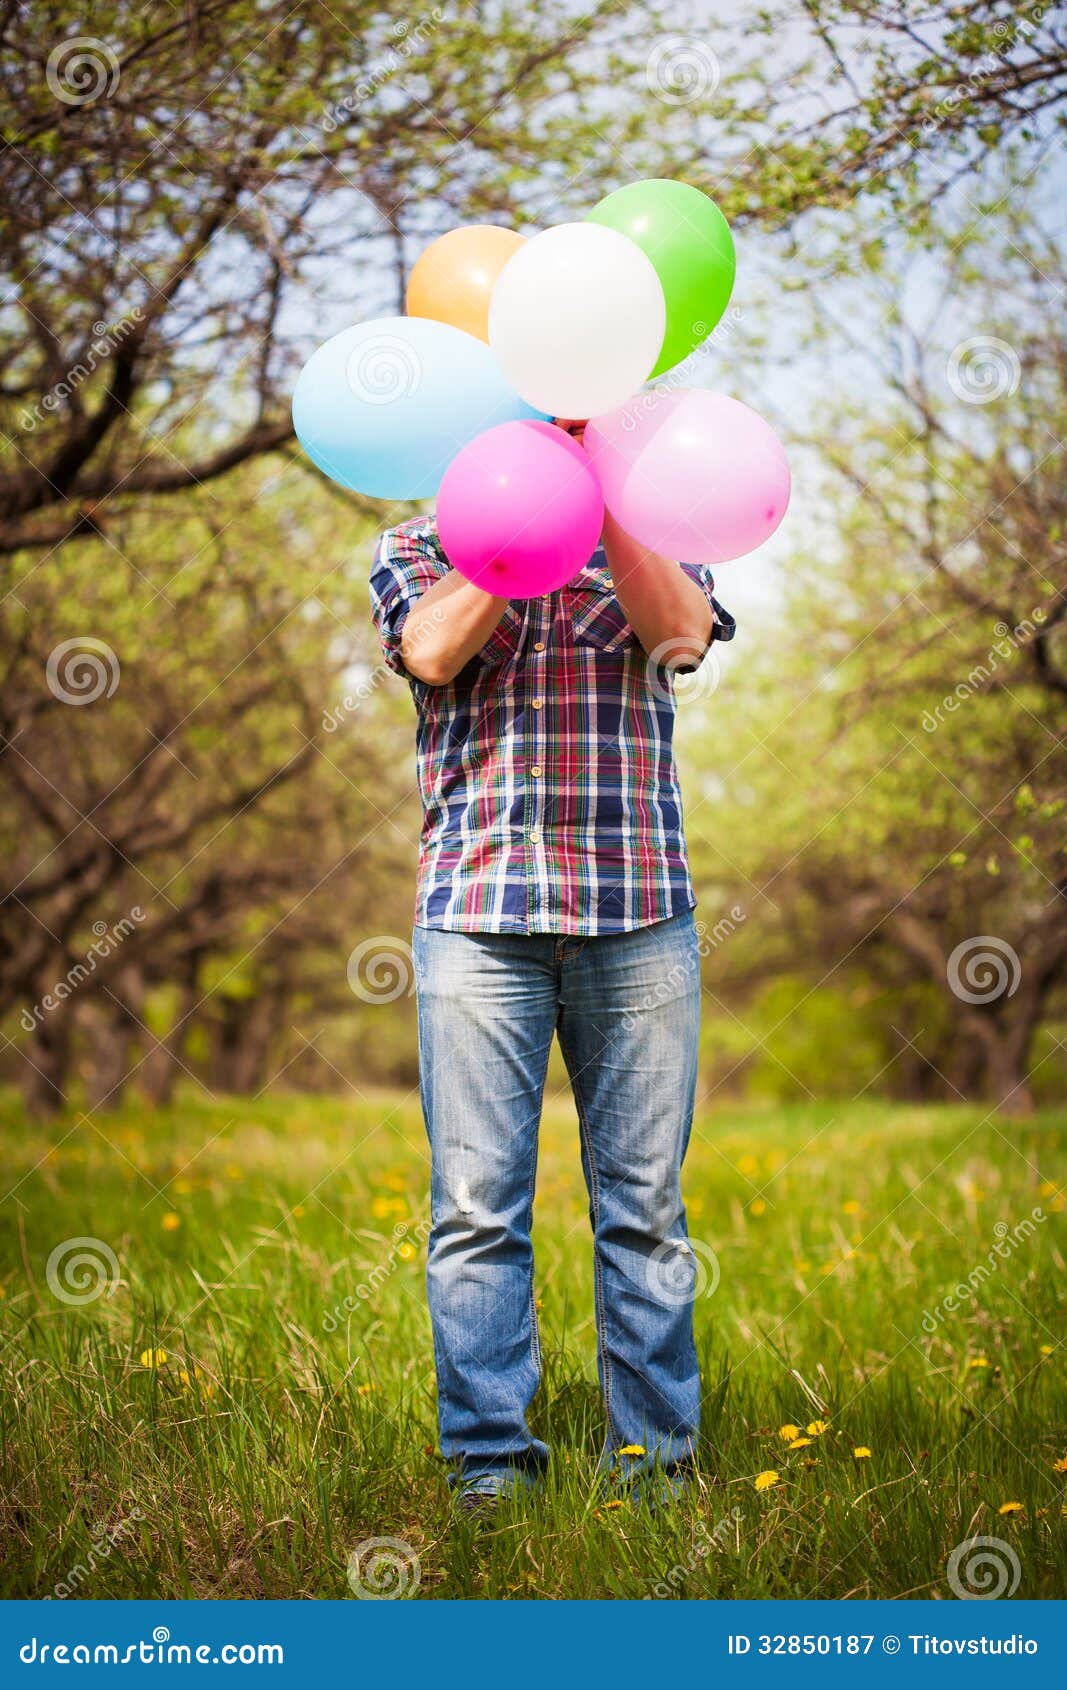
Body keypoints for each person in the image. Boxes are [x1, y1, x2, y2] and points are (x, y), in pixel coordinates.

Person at [368, 419, 735, 1510]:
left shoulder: (655, 533)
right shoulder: (420, 543)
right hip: (477, 917)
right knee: (477, 1208)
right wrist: (521, 524)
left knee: (644, 1206)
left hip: (637, 913)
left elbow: (680, 638)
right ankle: (490, 1467)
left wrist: (604, 509)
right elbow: (432, 654)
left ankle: (656, 1468)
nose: (566, 422)